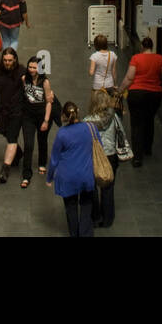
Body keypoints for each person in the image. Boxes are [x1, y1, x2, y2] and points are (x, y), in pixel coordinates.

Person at [116, 36, 162, 168]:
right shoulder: (160, 59)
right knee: (149, 119)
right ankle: (147, 148)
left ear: (142, 46)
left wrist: (120, 90)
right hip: (154, 94)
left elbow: (129, 78)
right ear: (152, 47)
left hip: (137, 94)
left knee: (136, 124)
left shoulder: (136, 58)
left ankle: (137, 157)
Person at [46, 101, 95, 237]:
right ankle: (85, 233)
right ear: (78, 112)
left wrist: (49, 177)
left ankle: (74, 234)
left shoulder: (62, 134)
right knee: (86, 205)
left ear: (63, 116)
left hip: (68, 178)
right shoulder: (90, 127)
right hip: (86, 175)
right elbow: (99, 147)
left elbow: (54, 159)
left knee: (71, 207)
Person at [83, 90, 121, 228]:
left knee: (92, 187)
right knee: (108, 187)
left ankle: (95, 216)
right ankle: (108, 219)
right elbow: (120, 133)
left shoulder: (87, 121)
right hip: (110, 155)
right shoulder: (114, 117)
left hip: (93, 156)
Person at [0, 48, 26, 184]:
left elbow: (29, 86)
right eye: (5, 60)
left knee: (12, 138)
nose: (7, 63)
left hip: (16, 111)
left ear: (14, 59)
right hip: (1, 109)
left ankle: (5, 170)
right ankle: (18, 152)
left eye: (10, 60)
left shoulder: (21, 71)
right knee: (4, 132)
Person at [19, 56, 54, 185]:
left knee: (42, 139)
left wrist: (46, 120)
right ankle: (26, 175)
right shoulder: (24, 79)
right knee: (28, 144)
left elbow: (49, 102)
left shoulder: (45, 82)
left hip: (42, 115)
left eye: (34, 67)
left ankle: (42, 162)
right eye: (30, 67)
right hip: (28, 117)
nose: (32, 70)